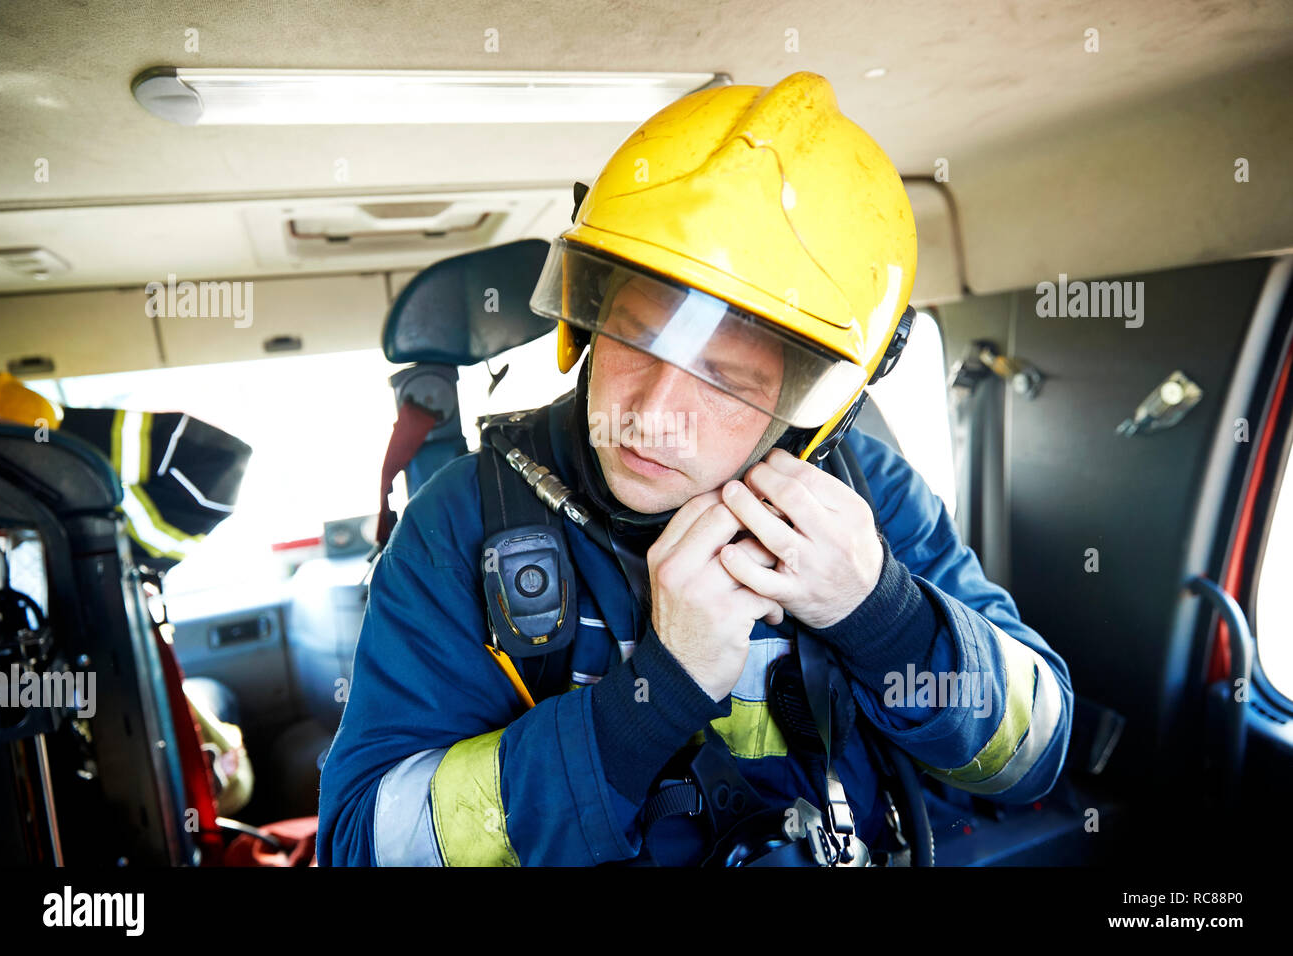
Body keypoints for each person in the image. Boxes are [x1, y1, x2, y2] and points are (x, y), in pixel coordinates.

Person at [316, 71, 1073, 866]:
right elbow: (364, 845)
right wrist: (646, 704)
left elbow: (1035, 751)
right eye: (634, 338)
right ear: (588, 320)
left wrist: (881, 615)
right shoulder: (463, 523)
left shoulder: (863, 497)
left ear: (806, 410)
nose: (649, 417)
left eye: (729, 382)